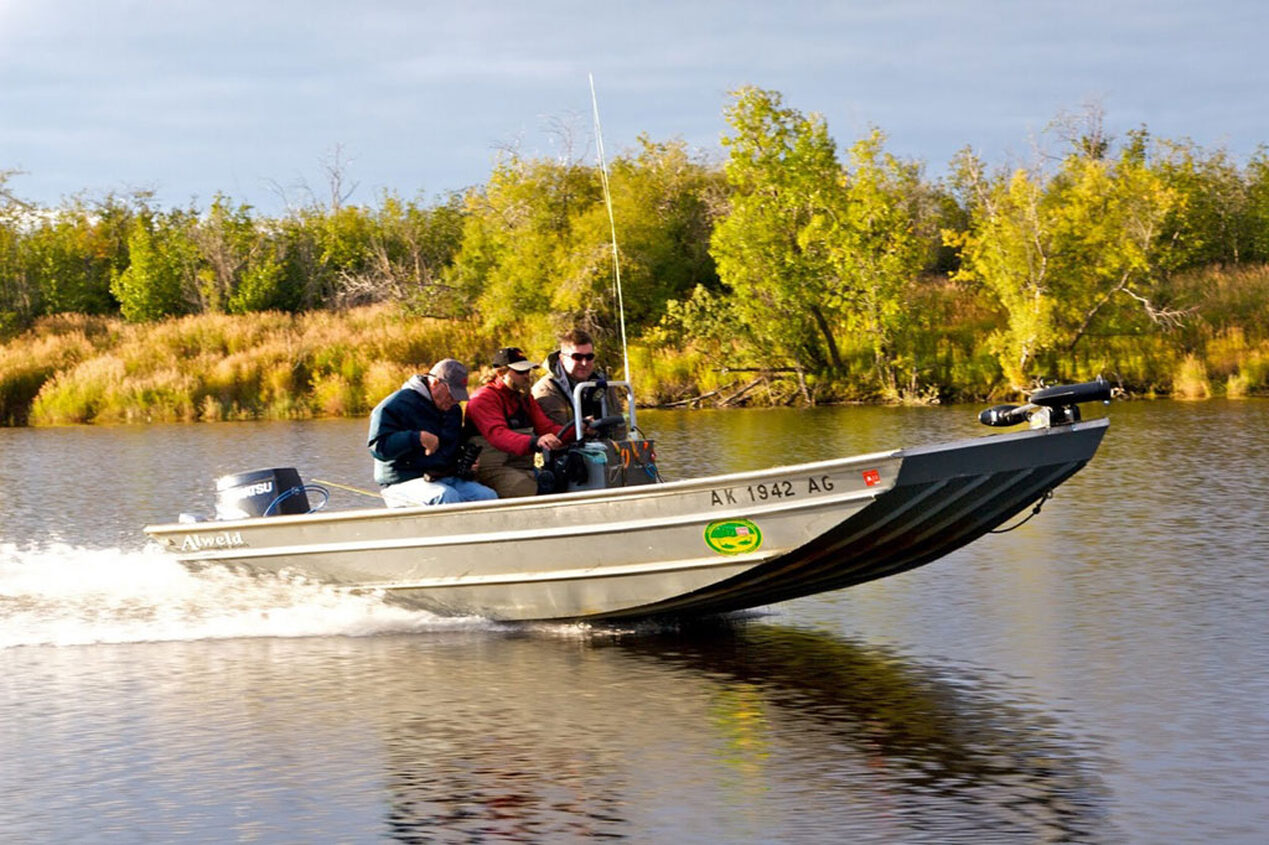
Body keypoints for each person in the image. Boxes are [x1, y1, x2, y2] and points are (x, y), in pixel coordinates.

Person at [367, 358, 498, 507]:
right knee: (445, 496)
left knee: (487, 496)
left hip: (442, 478)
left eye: (459, 396)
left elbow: (453, 444)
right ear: (435, 383)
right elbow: (378, 447)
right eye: (452, 394)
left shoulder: (453, 409)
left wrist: (466, 459)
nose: (455, 400)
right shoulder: (396, 404)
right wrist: (417, 438)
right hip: (401, 482)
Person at [465, 346, 578, 498]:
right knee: (523, 487)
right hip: (491, 468)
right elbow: (499, 435)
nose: (526, 376)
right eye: (520, 372)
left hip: (523, 467)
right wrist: (535, 442)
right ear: (500, 373)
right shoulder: (483, 399)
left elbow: (546, 428)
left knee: (558, 480)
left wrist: (580, 429)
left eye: (528, 371)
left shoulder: (524, 397)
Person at [532, 328, 627, 439]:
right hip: (567, 447)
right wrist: (583, 428)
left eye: (589, 357)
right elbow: (555, 434)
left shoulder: (603, 384)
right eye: (577, 357)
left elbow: (619, 426)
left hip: (603, 446)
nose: (584, 363)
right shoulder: (546, 389)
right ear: (562, 358)